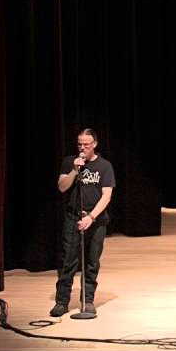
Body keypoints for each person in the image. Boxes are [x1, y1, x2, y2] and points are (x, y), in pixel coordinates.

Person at [51, 128, 115, 317]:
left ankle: (87, 301)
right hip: (73, 217)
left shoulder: (104, 166)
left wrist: (91, 217)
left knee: (91, 262)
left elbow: (106, 196)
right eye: (80, 144)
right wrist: (74, 170)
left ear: (94, 144)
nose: (82, 148)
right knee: (67, 261)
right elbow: (62, 187)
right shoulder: (70, 162)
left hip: (96, 221)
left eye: (86, 144)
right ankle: (62, 302)